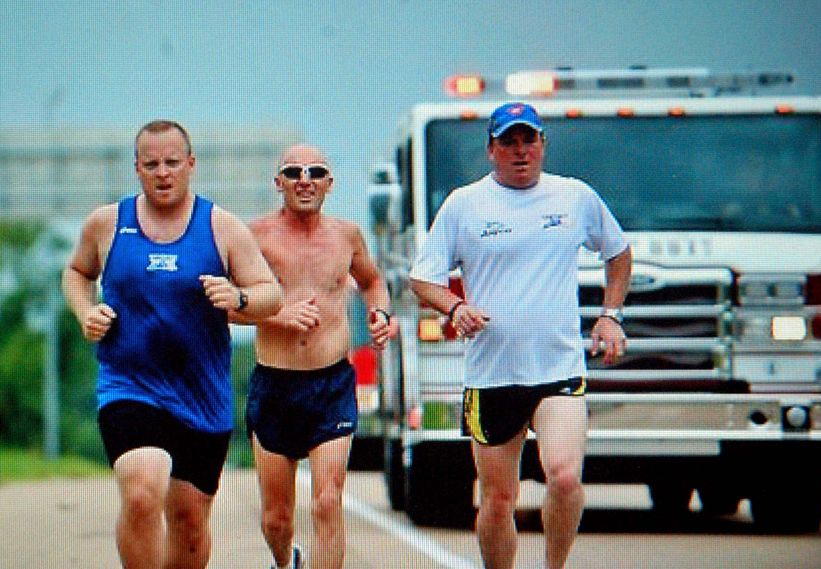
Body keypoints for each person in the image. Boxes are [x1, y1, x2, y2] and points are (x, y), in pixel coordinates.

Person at [409, 102, 632, 569]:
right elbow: (423, 279)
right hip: (493, 375)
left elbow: (618, 252)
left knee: (565, 478)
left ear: (543, 145)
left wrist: (610, 316)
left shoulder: (574, 197)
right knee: (497, 500)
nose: (520, 151)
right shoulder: (464, 204)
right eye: (508, 142)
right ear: (491, 150)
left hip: (558, 370)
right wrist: (456, 307)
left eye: (528, 140)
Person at [62, 120, 282, 569]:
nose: (162, 173)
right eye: (151, 164)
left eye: (172, 163)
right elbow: (77, 272)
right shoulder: (107, 223)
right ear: (137, 168)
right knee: (142, 490)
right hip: (129, 385)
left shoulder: (221, 227)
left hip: (201, 396)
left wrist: (238, 297)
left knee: (189, 521)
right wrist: (85, 311)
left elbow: (270, 294)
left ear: (191, 164)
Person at [233, 144, 391, 569]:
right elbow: (226, 302)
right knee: (277, 519)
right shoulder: (255, 236)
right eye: (294, 172)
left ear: (329, 184)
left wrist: (380, 314)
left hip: (331, 384)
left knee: (327, 501)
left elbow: (373, 282)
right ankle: (286, 561)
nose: (305, 180)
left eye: (316, 172)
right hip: (275, 385)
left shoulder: (347, 235)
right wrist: (278, 314)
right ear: (279, 183)